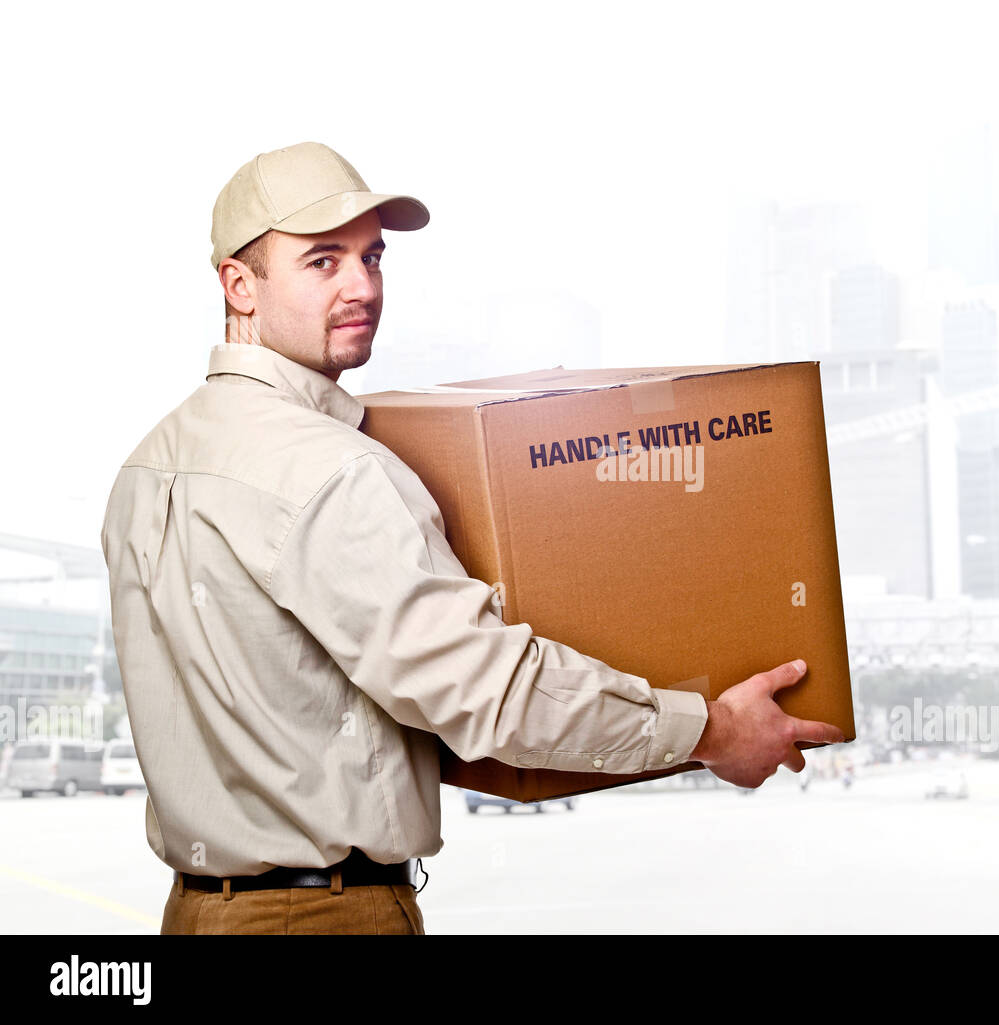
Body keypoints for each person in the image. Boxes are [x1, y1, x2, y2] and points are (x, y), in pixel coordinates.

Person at [99, 142, 844, 935]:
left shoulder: (143, 472)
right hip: (322, 914)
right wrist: (710, 729)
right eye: (323, 262)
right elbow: (491, 693)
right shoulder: (336, 471)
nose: (364, 287)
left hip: (194, 914)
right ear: (238, 284)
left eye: (372, 257)